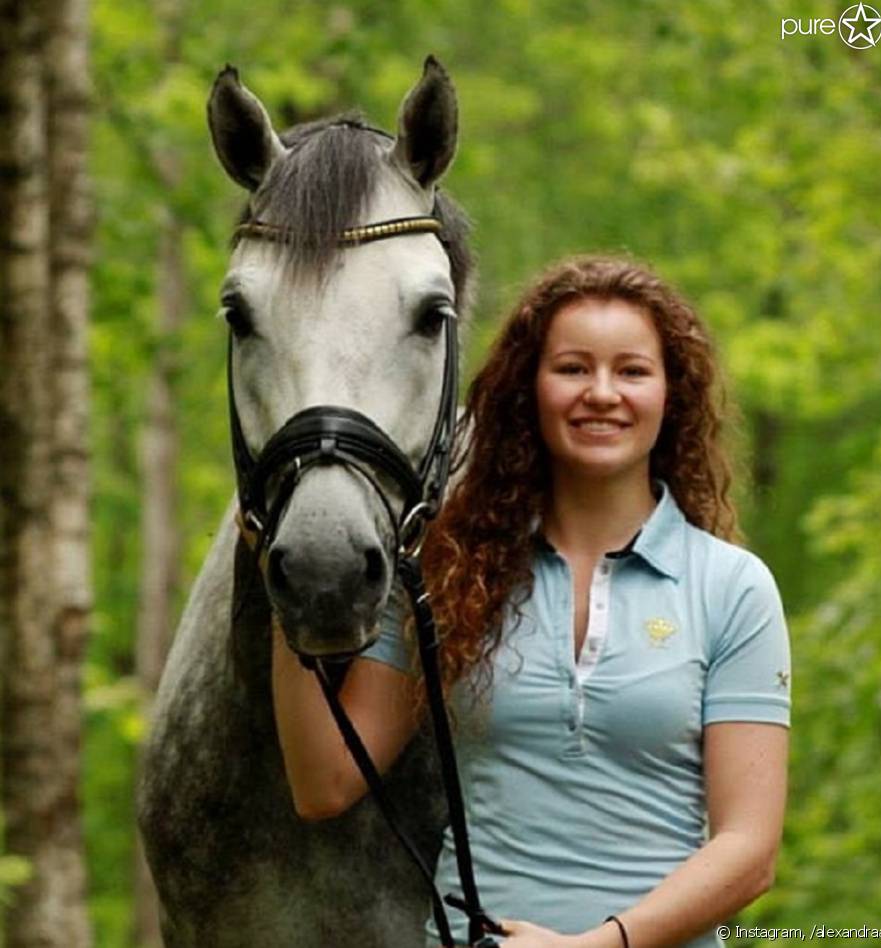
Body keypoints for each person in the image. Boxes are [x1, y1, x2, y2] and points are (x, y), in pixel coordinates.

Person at [271, 255, 791, 947]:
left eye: (632, 370)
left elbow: (749, 852)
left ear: (671, 394)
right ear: (529, 389)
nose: (601, 392)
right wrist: (286, 589)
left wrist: (594, 946)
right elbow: (325, 780)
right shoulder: (446, 573)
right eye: (573, 368)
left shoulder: (733, 587)